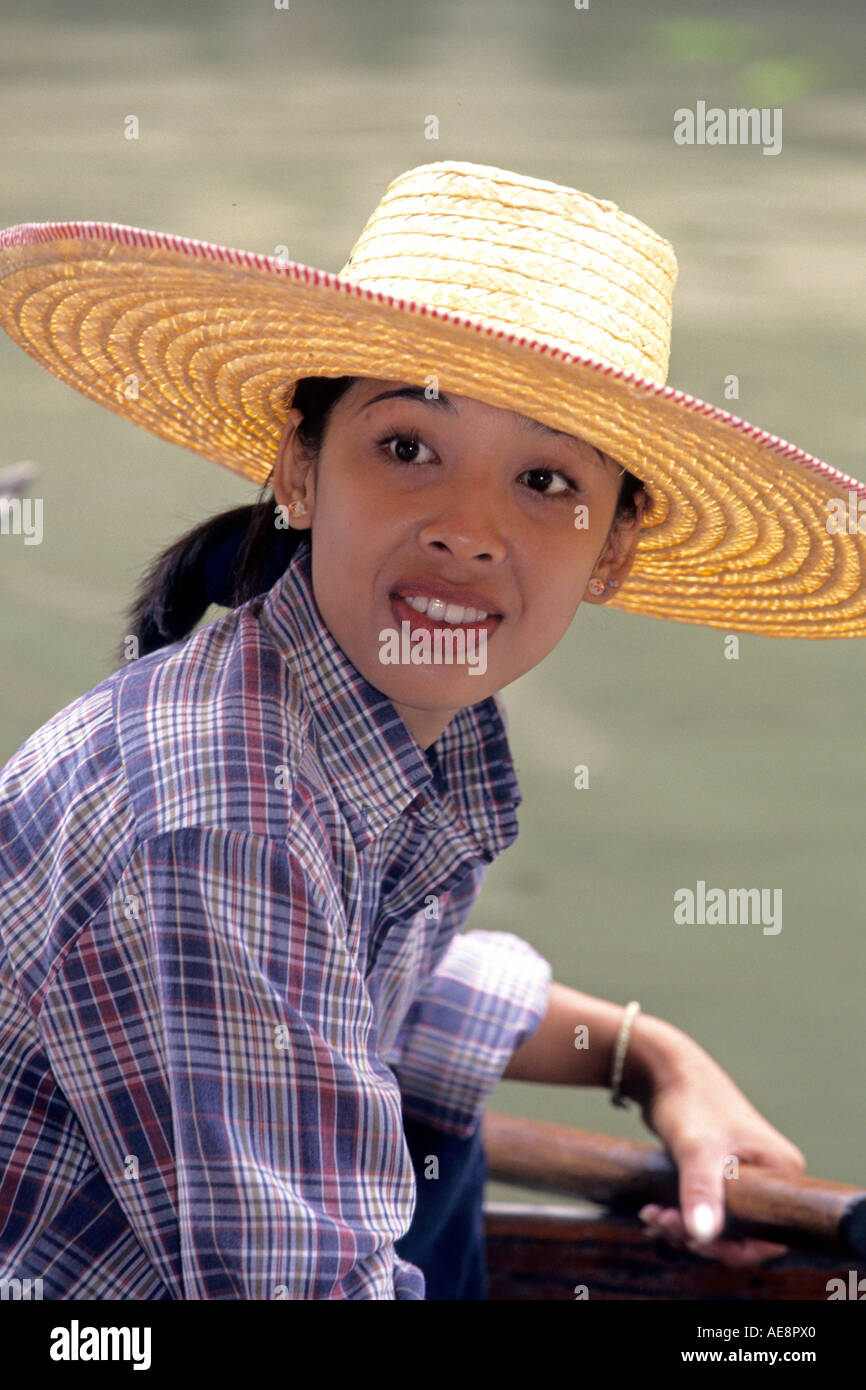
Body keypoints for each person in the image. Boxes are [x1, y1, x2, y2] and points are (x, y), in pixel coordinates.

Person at [0, 161, 864, 1300]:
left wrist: (648, 1057)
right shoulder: (219, 814)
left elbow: (368, 980)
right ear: (300, 471)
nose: (466, 529)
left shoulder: (346, 728)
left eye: (544, 478)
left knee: (429, 1140)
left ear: (608, 550)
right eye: (406, 447)